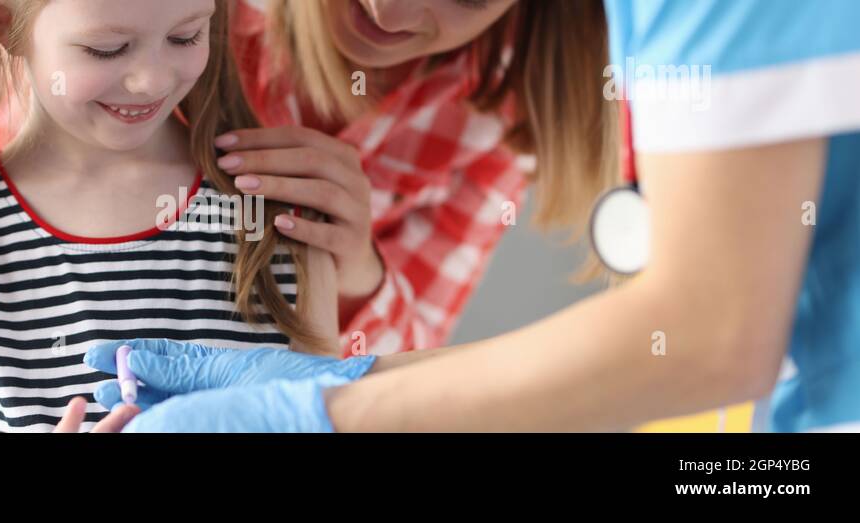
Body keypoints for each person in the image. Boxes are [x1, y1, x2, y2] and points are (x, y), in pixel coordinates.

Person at [0, 0, 617, 433]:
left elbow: (385, 397)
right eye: (109, 49)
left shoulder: (495, 120)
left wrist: (360, 276)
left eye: (184, 36)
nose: (393, 7)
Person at [85, 0, 860, 433]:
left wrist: (320, 407)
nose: (391, 8)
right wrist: (339, 387)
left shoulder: (499, 104)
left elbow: (712, 335)